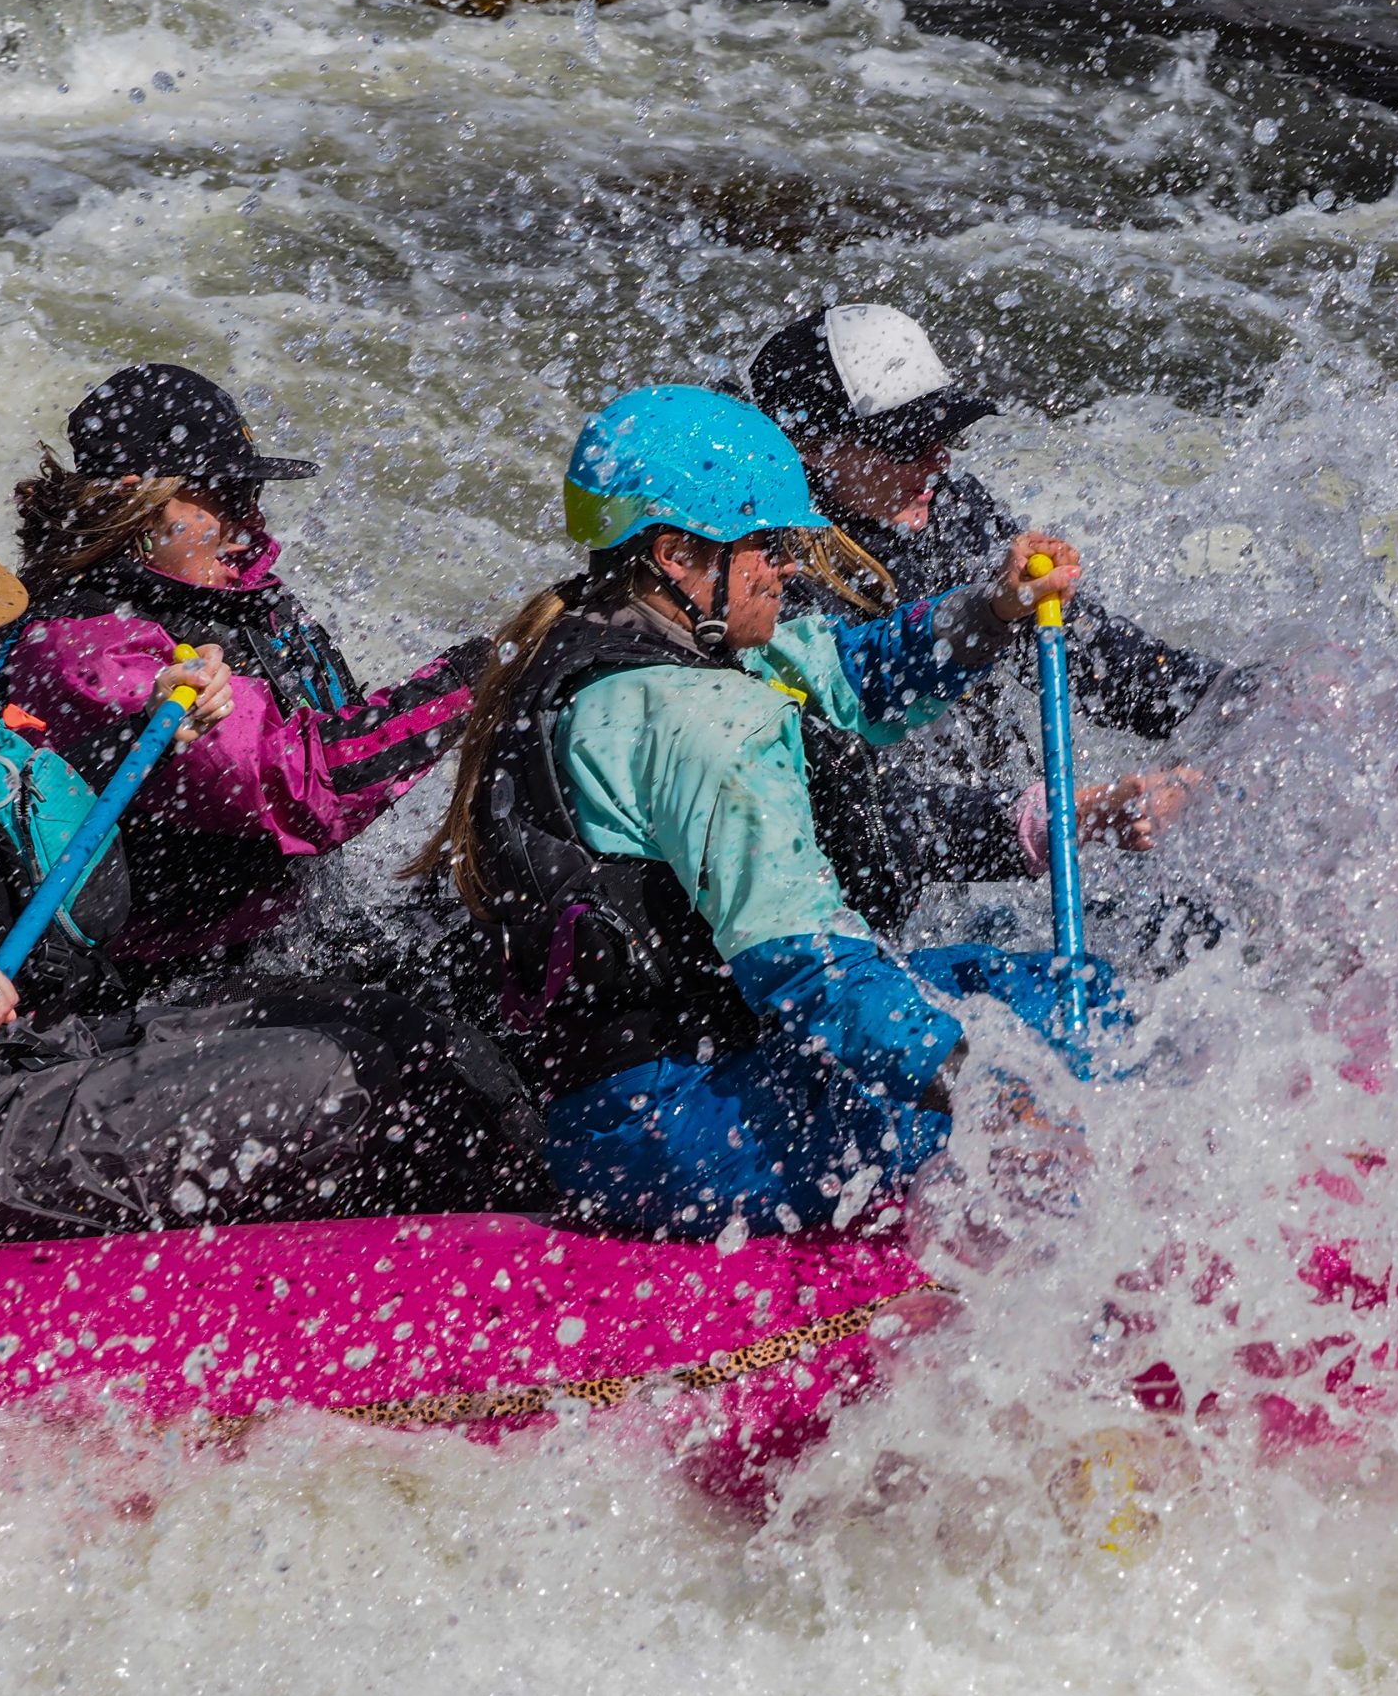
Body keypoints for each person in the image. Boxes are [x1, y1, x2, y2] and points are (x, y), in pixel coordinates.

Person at [0, 447, 519, 1244]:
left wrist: (156, 716)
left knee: (398, 1027)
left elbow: (17, 808)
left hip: (43, 1050)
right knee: (334, 1077)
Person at [410, 387, 1110, 1236]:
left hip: (632, 1095)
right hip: (674, 1131)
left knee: (1027, 988)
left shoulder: (586, 638)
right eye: (769, 546)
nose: (790, 566)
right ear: (677, 555)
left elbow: (856, 671)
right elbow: (810, 971)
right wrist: (992, 1096)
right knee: (1074, 1036)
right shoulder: (701, 722)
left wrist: (993, 609)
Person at [0, 364, 490, 986]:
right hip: (160, 980)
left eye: (252, 498)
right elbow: (303, 788)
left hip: (283, 933)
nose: (249, 523)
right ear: (135, 500)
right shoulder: (78, 647)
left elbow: (350, 727)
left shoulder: (243, 600)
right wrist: (476, 681)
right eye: (225, 497)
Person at [748, 303, 1235, 937]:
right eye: (908, 443)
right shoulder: (766, 591)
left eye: (943, 433)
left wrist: (1236, 702)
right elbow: (863, 820)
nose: (938, 462)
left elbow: (1089, 656)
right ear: (810, 445)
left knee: (1205, 929)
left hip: (987, 871)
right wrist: (1069, 818)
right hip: (861, 915)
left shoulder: (946, 510)